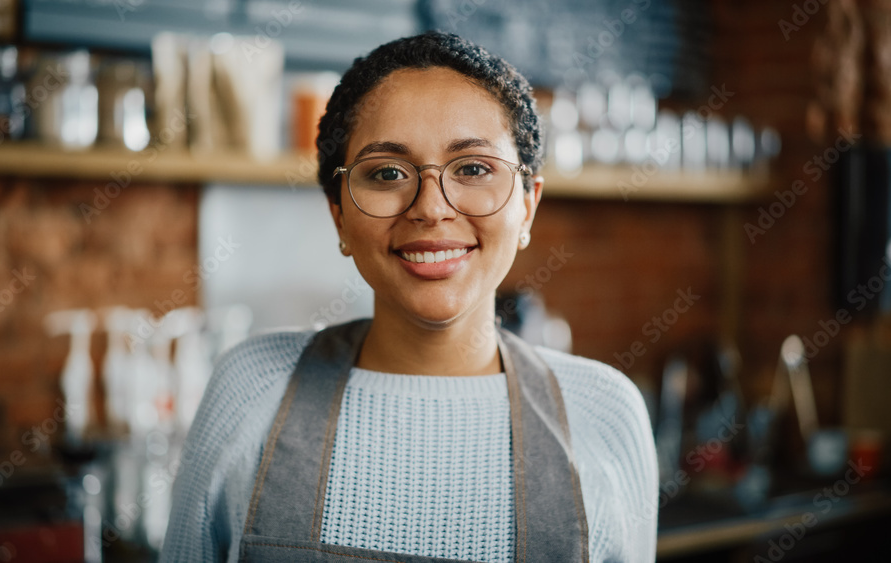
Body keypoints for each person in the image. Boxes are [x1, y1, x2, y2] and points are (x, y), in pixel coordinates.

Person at [161, 31, 657, 562]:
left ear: (527, 208)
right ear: (340, 217)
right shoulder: (251, 387)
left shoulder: (604, 414)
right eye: (388, 173)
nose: (430, 208)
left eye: (472, 168)